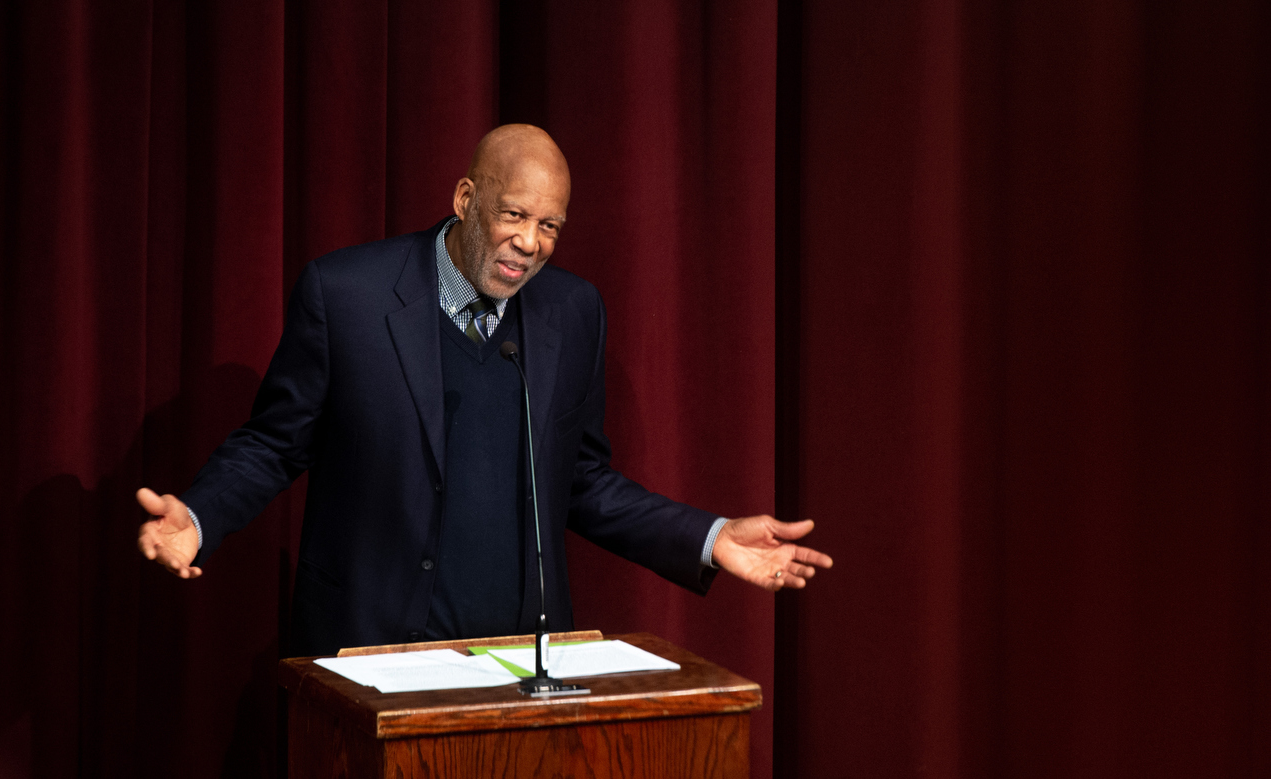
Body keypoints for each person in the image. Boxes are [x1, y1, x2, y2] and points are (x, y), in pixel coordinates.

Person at [137, 124, 832, 655]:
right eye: (514, 215)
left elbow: (583, 482)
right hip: (372, 652)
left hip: (518, 663)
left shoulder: (573, 312)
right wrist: (197, 518)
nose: (530, 242)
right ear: (466, 199)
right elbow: (272, 444)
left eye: (550, 225)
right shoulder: (346, 295)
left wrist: (711, 537)